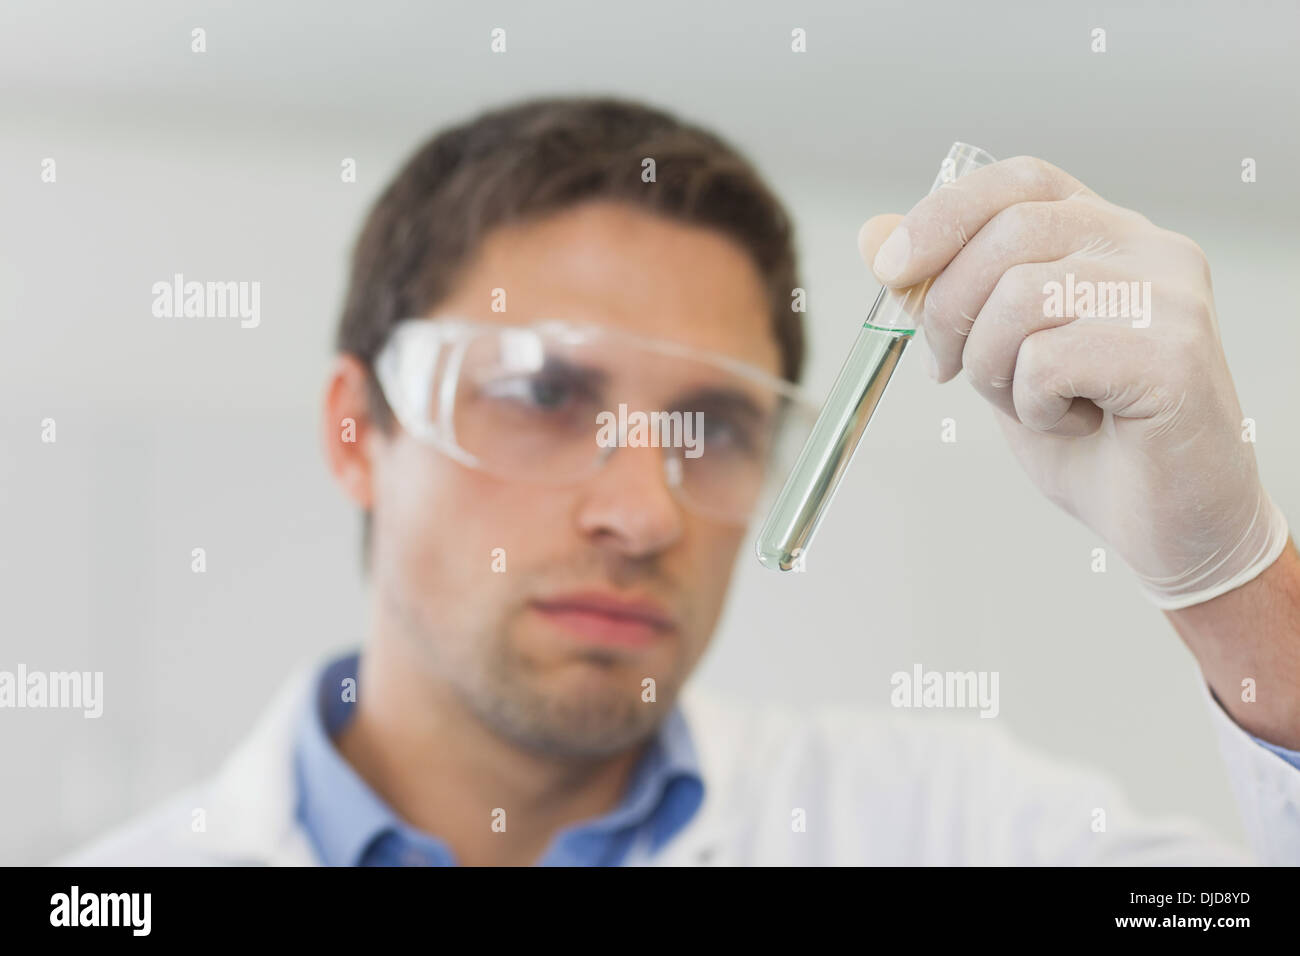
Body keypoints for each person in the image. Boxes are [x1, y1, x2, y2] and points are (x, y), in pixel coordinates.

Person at [62, 97, 1300, 866]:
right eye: (546, 395)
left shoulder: (938, 827)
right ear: (354, 428)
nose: (644, 511)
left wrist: (1233, 585)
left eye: (712, 422)